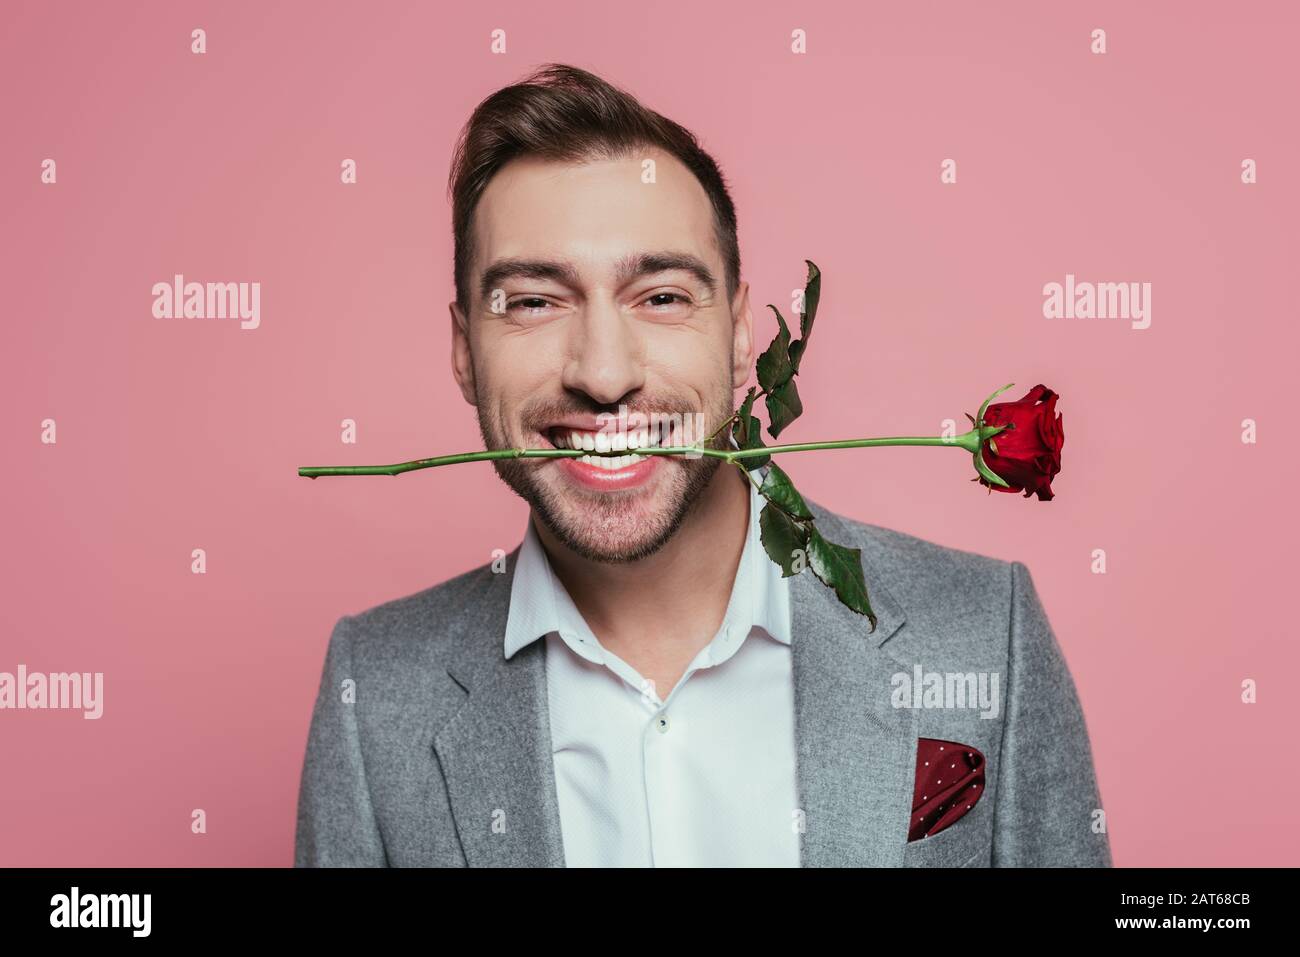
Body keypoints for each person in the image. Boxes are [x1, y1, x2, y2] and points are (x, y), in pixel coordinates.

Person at [294, 63, 1111, 868]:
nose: (604, 374)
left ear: (739, 336)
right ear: (463, 350)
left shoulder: (983, 636)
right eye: (535, 301)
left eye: (661, 295)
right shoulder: (375, 699)